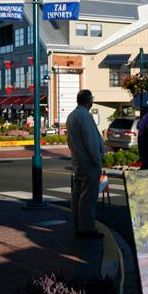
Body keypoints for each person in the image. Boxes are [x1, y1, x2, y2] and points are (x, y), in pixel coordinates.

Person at [65, 90, 104, 239]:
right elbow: (91, 141)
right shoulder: (85, 117)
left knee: (77, 195)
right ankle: (87, 228)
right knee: (88, 197)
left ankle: (78, 225)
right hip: (88, 162)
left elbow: (70, 141)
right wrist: (96, 160)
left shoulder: (71, 116)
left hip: (77, 160)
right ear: (89, 100)